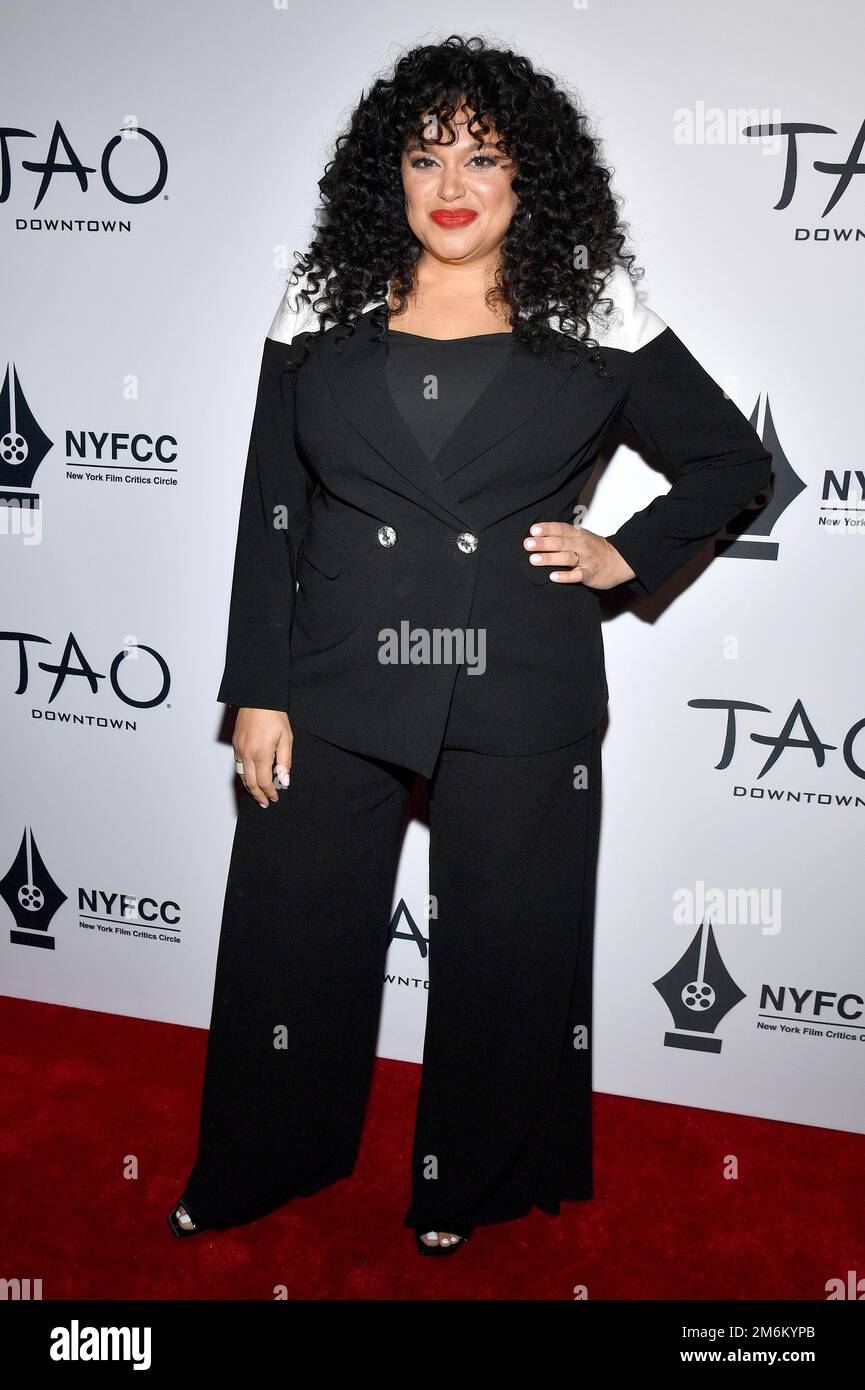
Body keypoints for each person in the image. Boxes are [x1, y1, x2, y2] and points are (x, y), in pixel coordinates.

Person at [167, 35, 773, 1256]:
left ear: (526, 175)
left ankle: (474, 1178)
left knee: (509, 940)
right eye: (426, 152)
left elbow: (729, 462)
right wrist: (257, 689)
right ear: (386, 175)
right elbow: (269, 507)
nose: (452, 181)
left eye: (483, 155)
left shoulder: (595, 305)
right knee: (290, 934)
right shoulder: (321, 300)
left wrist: (624, 552)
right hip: (335, 665)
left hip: (518, 672)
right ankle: (264, 1154)